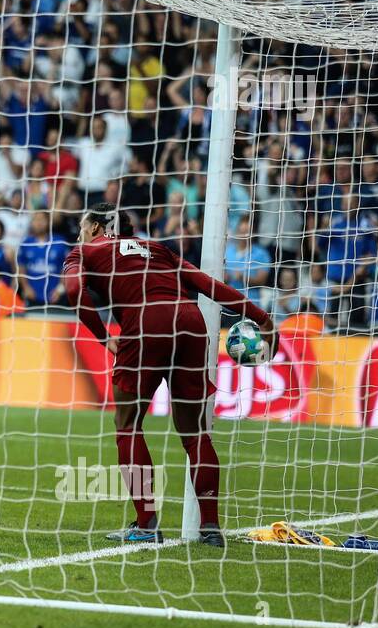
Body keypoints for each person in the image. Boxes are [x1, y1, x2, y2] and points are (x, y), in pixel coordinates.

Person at [62, 202, 277, 546]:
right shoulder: (157, 248)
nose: (80, 235)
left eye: (82, 228)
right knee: (195, 434)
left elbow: (74, 291)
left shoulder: (85, 251)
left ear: (98, 229)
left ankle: (147, 525)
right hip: (190, 323)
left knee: (128, 425)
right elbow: (206, 283)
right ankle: (210, 528)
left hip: (145, 324)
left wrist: (103, 337)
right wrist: (260, 317)